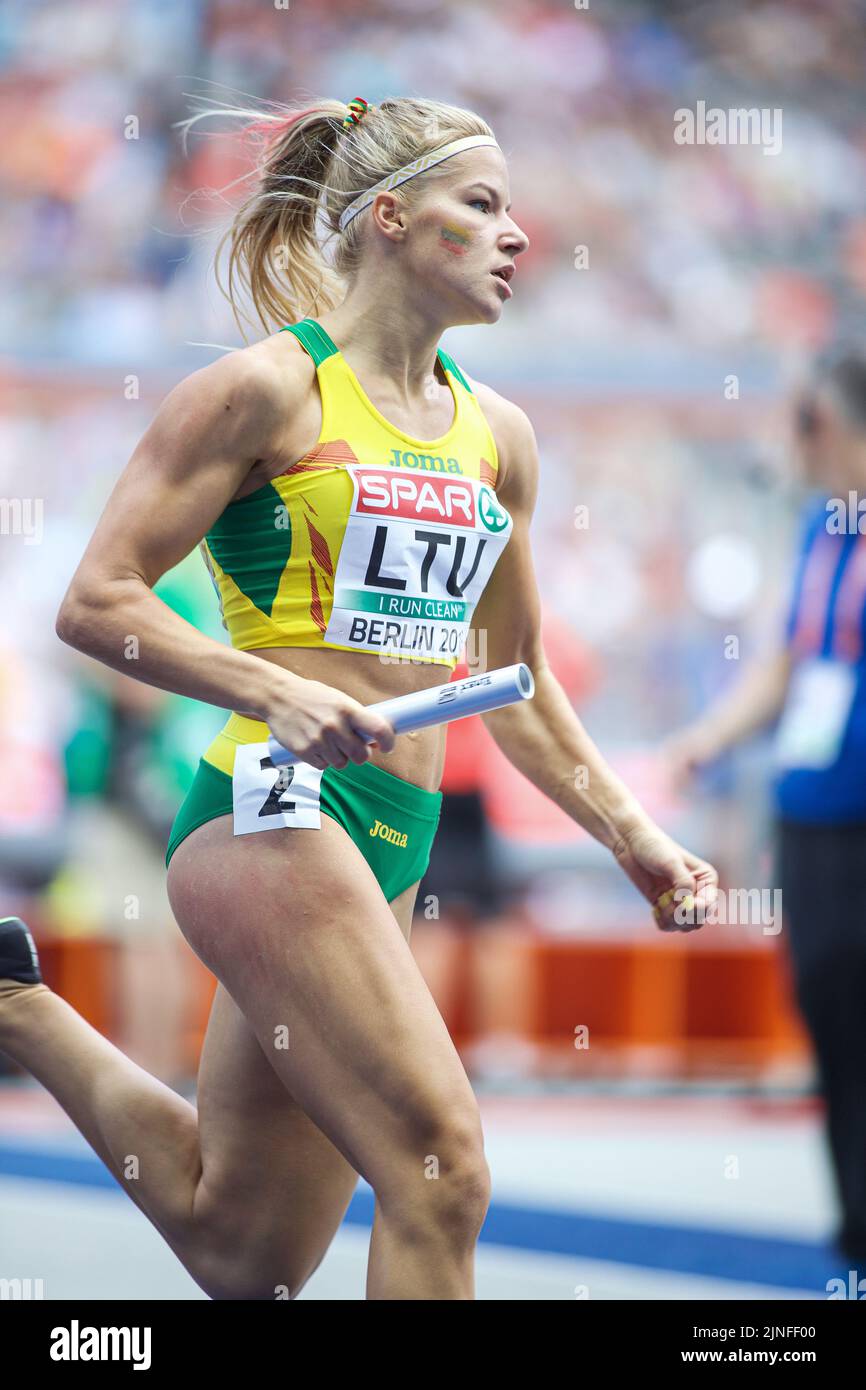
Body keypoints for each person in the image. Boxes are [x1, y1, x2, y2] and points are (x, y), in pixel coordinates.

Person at [0, 94, 717, 1301]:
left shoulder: (499, 438)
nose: (516, 234)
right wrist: (265, 685)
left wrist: (635, 837)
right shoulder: (265, 393)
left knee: (244, 1246)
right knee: (442, 1171)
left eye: (512, 209)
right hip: (268, 818)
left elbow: (519, 680)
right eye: (480, 204)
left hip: (392, 838)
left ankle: (13, 1004)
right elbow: (97, 602)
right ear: (389, 217)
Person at [666, 346, 866, 1271]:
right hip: (815, 808)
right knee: (828, 997)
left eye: (813, 421)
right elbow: (791, 661)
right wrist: (708, 738)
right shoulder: (823, 526)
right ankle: (856, 1218)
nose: (801, 440)